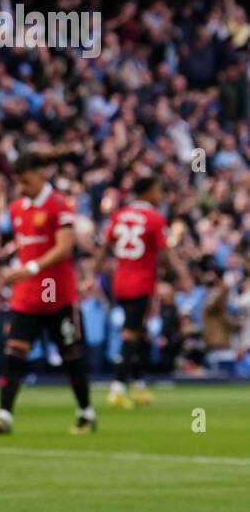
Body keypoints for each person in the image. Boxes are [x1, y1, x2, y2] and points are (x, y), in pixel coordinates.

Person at [0, 153, 97, 435]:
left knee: (71, 356)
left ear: (41, 174)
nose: (22, 188)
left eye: (27, 181)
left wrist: (30, 267)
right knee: (14, 355)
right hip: (27, 297)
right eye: (18, 182)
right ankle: (4, 415)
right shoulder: (17, 208)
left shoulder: (59, 206)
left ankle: (86, 413)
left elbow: (64, 248)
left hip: (57, 295)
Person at [97, 173, 187, 407]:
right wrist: (182, 275)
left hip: (121, 281)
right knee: (131, 334)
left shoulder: (119, 215)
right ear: (147, 191)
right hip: (142, 282)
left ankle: (138, 385)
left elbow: (106, 245)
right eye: (158, 190)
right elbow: (166, 252)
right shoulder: (154, 218)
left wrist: (96, 268)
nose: (161, 195)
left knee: (139, 332)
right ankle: (117, 388)